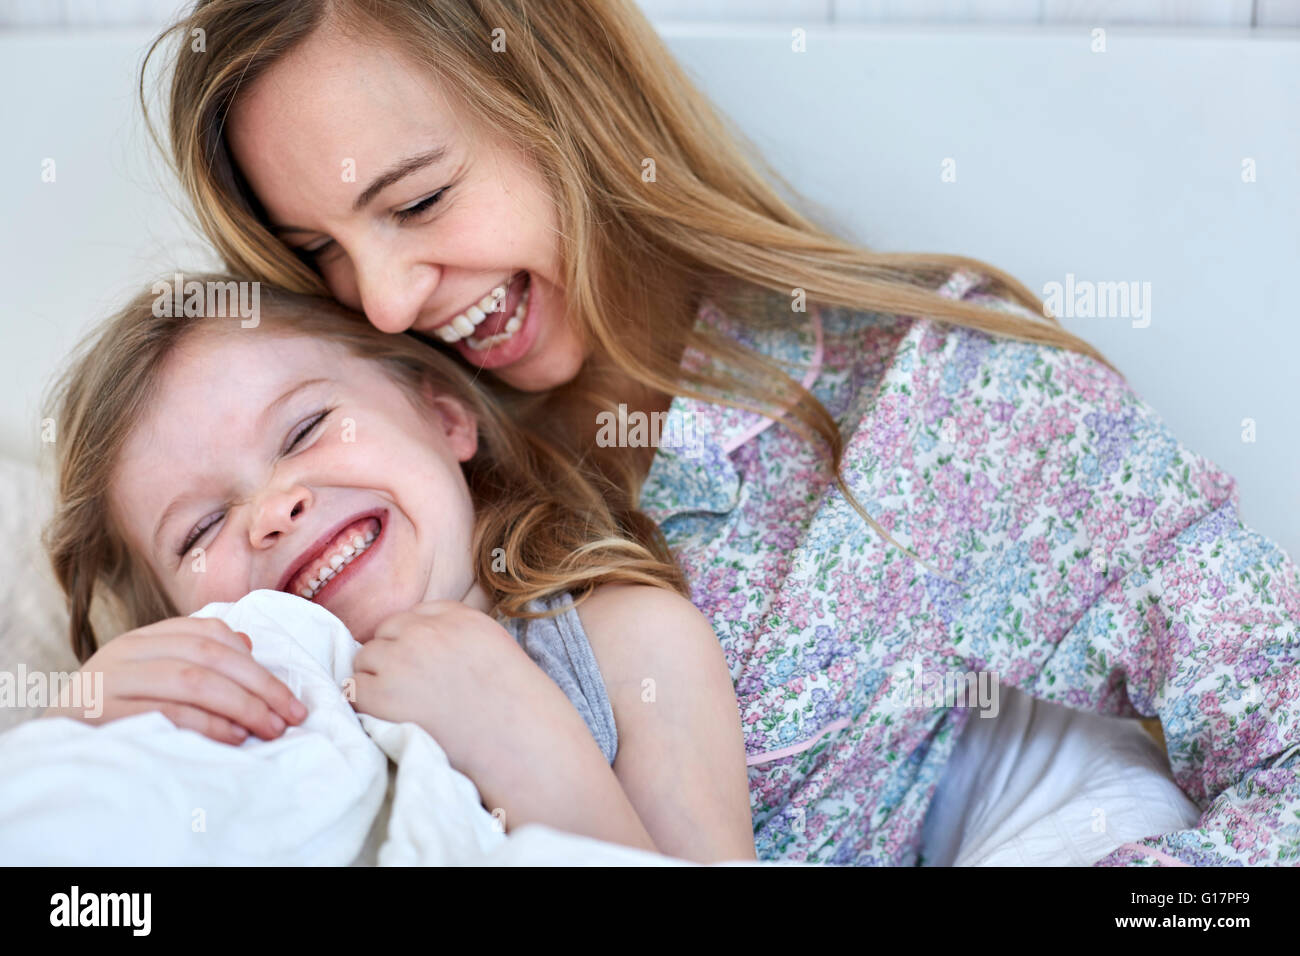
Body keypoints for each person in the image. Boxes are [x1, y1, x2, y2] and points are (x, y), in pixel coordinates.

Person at [146, 0, 1300, 864]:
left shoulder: (939, 398)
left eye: (417, 202)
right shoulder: (353, 464)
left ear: (574, 110)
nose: (387, 301)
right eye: (319, 252)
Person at [40, 279, 757, 864]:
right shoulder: (225, 733)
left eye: (304, 430)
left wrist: (519, 744)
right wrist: (74, 745)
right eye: (200, 529)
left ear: (444, 415)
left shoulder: (630, 644)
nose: (272, 510)